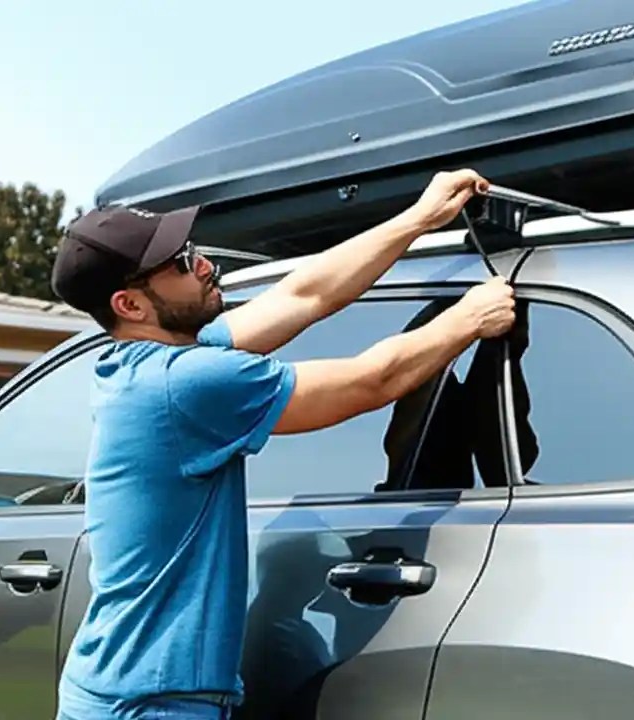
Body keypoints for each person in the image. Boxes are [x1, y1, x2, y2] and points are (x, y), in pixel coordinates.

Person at [47, 169, 515, 720]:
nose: (202, 265)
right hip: (150, 707)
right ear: (131, 305)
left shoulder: (144, 364)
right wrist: (467, 319)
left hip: (126, 693)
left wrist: (418, 217)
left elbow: (305, 294)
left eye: (191, 250)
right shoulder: (183, 384)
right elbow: (371, 382)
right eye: (178, 264)